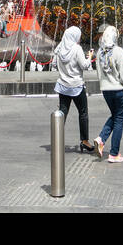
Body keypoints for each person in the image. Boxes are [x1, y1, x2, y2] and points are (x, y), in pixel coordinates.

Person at [92, 25, 123, 163]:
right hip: (118, 90)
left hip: (106, 91)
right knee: (119, 120)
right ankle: (114, 153)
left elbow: (98, 74)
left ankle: (101, 139)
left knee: (115, 116)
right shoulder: (118, 51)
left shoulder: (99, 53)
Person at [52, 26, 96, 154]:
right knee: (83, 113)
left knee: (62, 113)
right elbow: (85, 65)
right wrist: (90, 57)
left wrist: (64, 70)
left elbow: (54, 64)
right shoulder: (77, 49)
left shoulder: (59, 48)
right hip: (76, 86)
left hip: (63, 86)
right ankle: (84, 141)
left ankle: (57, 140)